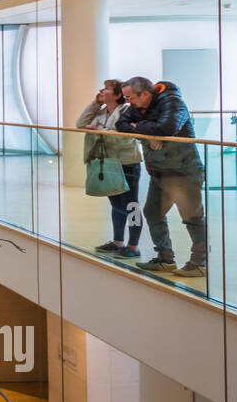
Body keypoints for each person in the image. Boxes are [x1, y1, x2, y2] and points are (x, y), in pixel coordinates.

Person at [115, 77, 207, 278]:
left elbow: (167, 128)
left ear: (145, 94)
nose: (128, 102)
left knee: (192, 217)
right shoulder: (138, 107)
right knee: (153, 213)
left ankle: (200, 263)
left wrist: (140, 128)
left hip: (183, 172)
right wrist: (150, 134)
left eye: (130, 97)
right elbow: (121, 124)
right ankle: (165, 259)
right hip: (160, 172)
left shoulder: (173, 103)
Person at [77, 79, 143, 258]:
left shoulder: (128, 111)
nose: (101, 90)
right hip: (108, 163)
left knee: (131, 204)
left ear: (117, 94)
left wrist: (100, 133)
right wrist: (95, 103)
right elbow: (81, 123)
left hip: (127, 163)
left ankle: (133, 245)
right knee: (115, 204)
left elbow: (127, 136)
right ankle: (117, 241)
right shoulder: (101, 112)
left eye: (106, 89)